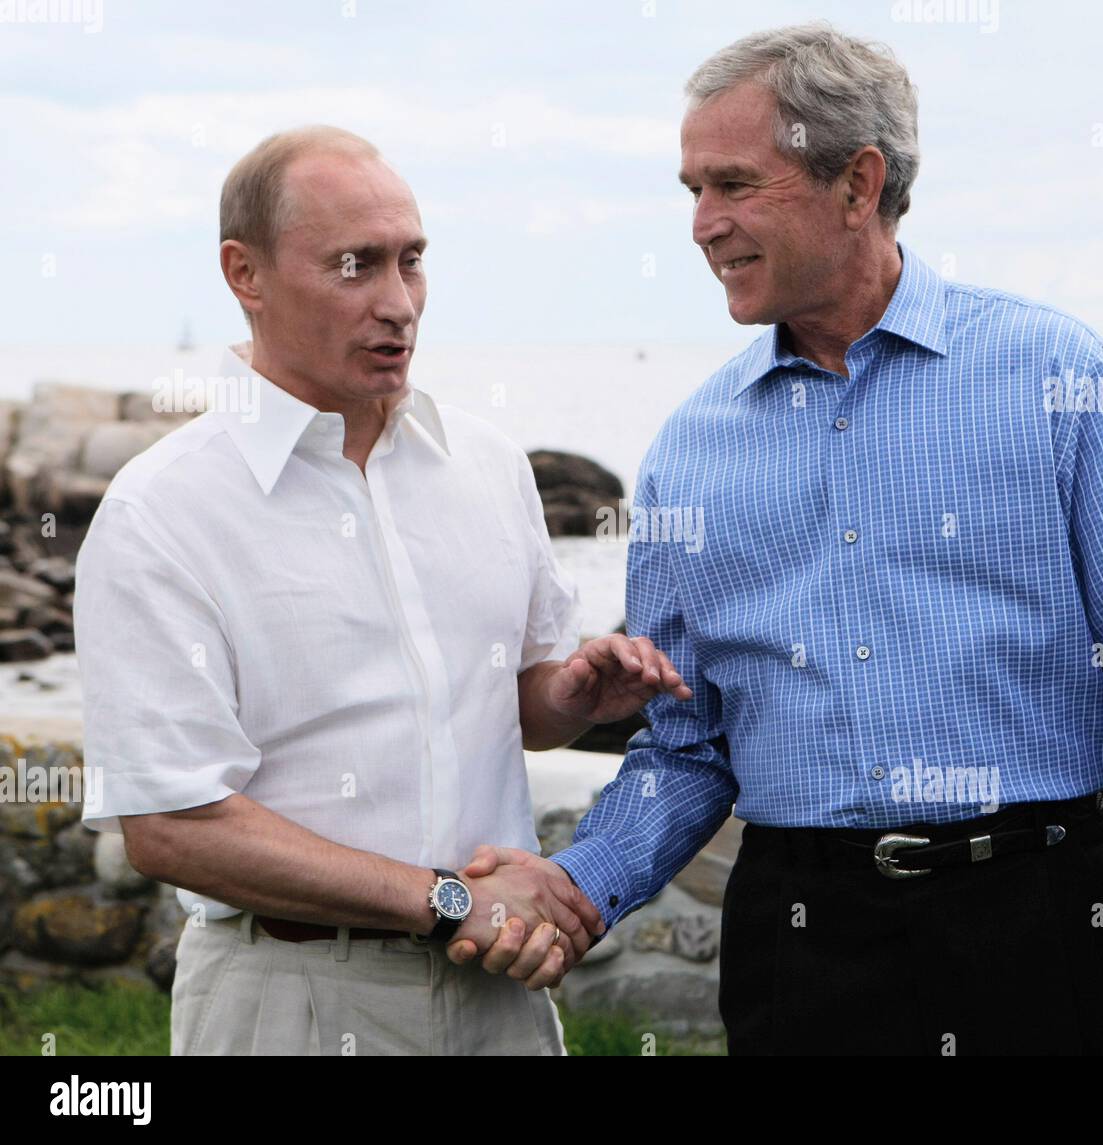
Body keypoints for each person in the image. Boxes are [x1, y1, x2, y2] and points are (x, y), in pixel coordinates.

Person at [454, 24, 1103, 1057]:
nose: (703, 225)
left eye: (734, 184)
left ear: (858, 181)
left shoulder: (1054, 375)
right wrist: (575, 883)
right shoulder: (688, 451)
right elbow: (686, 745)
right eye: (692, 189)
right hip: (800, 954)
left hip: (1053, 930)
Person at [74, 125, 689, 1056]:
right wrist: (452, 900)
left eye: (411, 262)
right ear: (245, 275)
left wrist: (569, 695)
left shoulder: (486, 465)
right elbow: (170, 825)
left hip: (499, 996)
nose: (398, 304)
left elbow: (515, 702)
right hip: (293, 1003)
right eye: (354, 267)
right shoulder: (163, 510)